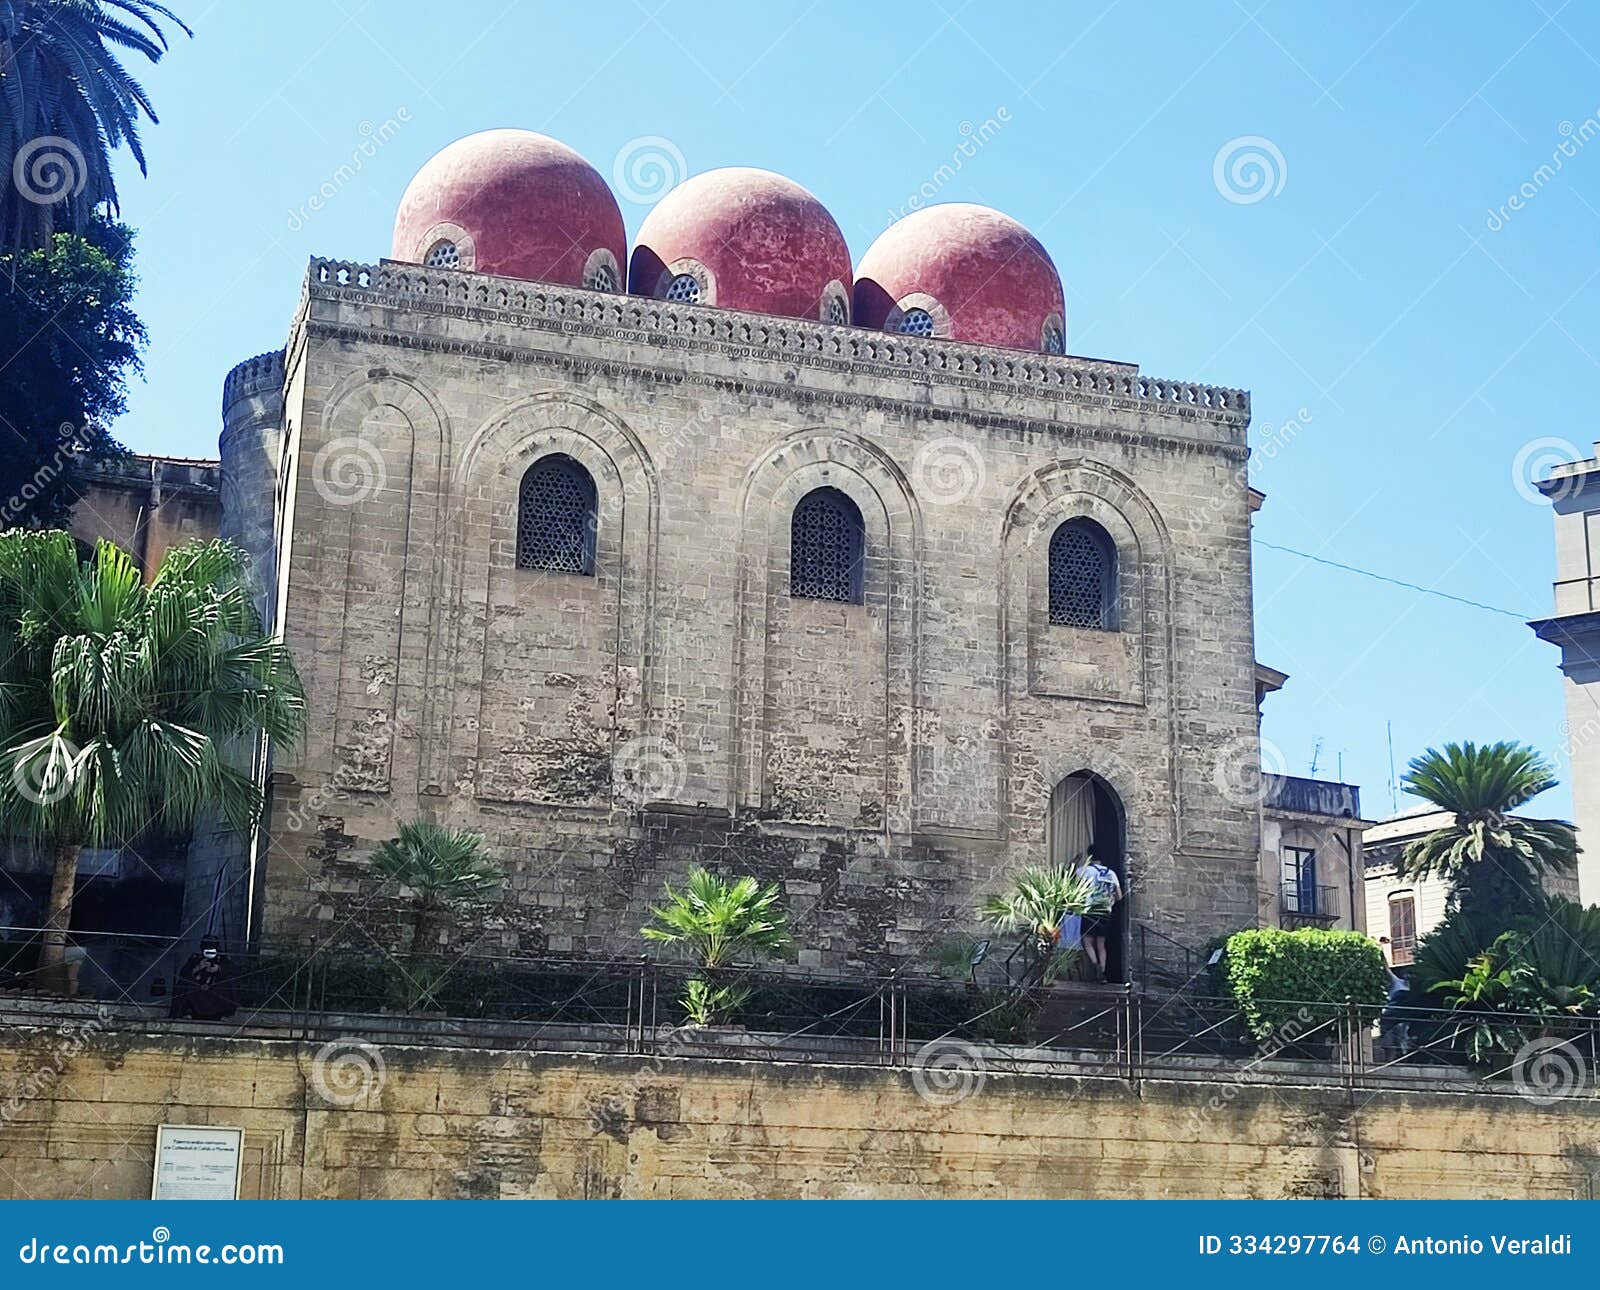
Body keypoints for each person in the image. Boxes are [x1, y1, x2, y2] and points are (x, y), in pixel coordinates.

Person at [1076, 848, 1123, 983]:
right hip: (1105, 912)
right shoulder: (1111, 873)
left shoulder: (1084, 871)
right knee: (1101, 944)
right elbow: (1119, 896)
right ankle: (1102, 973)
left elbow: (1068, 877)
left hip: (1090, 910)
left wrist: (1074, 862)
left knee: (1087, 941)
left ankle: (1095, 966)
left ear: (1089, 857)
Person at [171, 936, 238, 1021]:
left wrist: (218, 969)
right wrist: (198, 968)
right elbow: (184, 973)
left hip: (215, 989)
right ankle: (187, 1011)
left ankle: (224, 1014)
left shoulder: (223, 958)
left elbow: (233, 971)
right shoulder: (196, 957)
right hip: (198, 989)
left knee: (229, 983)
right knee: (184, 983)